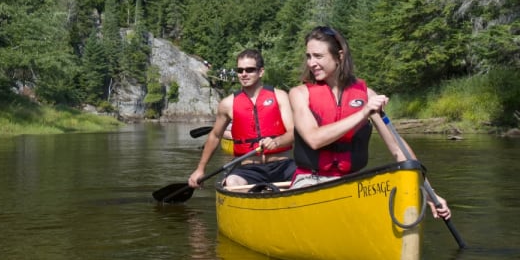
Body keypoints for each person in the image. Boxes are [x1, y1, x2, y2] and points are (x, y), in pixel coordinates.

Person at [288, 26, 451, 220]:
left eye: (318, 56)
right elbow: (314, 139)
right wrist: (363, 112)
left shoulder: (366, 95)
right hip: (310, 180)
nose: (311, 63)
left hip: (350, 182)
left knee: (401, 194)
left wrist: (429, 192)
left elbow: (399, 150)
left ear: (339, 56)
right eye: (308, 56)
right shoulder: (299, 94)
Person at [188, 49, 296, 190]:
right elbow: (215, 136)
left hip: (283, 166)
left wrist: (277, 142)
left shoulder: (280, 96)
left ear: (261, 72)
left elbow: (293, 132)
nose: (244, 74)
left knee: (307, 179)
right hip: (249, 170)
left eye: (250, 70)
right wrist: (200, 169)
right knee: (232, 183)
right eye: (240, 70)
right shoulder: (227, 104)